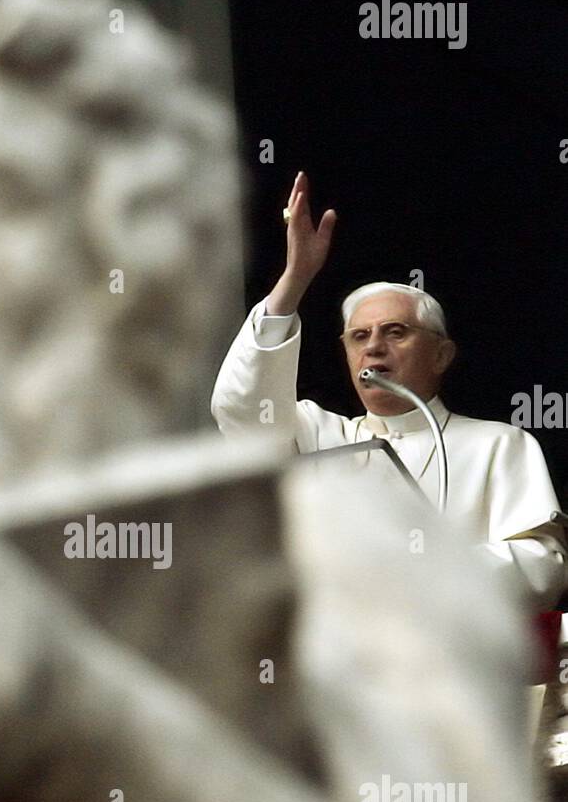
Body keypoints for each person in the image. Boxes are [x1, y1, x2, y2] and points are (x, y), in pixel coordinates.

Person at [211, 172, 567, 609]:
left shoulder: (497, 444)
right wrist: (294, 281)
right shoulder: (318, 433)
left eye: (395, 332)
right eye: (359, 337)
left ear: (441, 355)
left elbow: (544, 565)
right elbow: (240, 411)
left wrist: (429, 573)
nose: (374, 346)